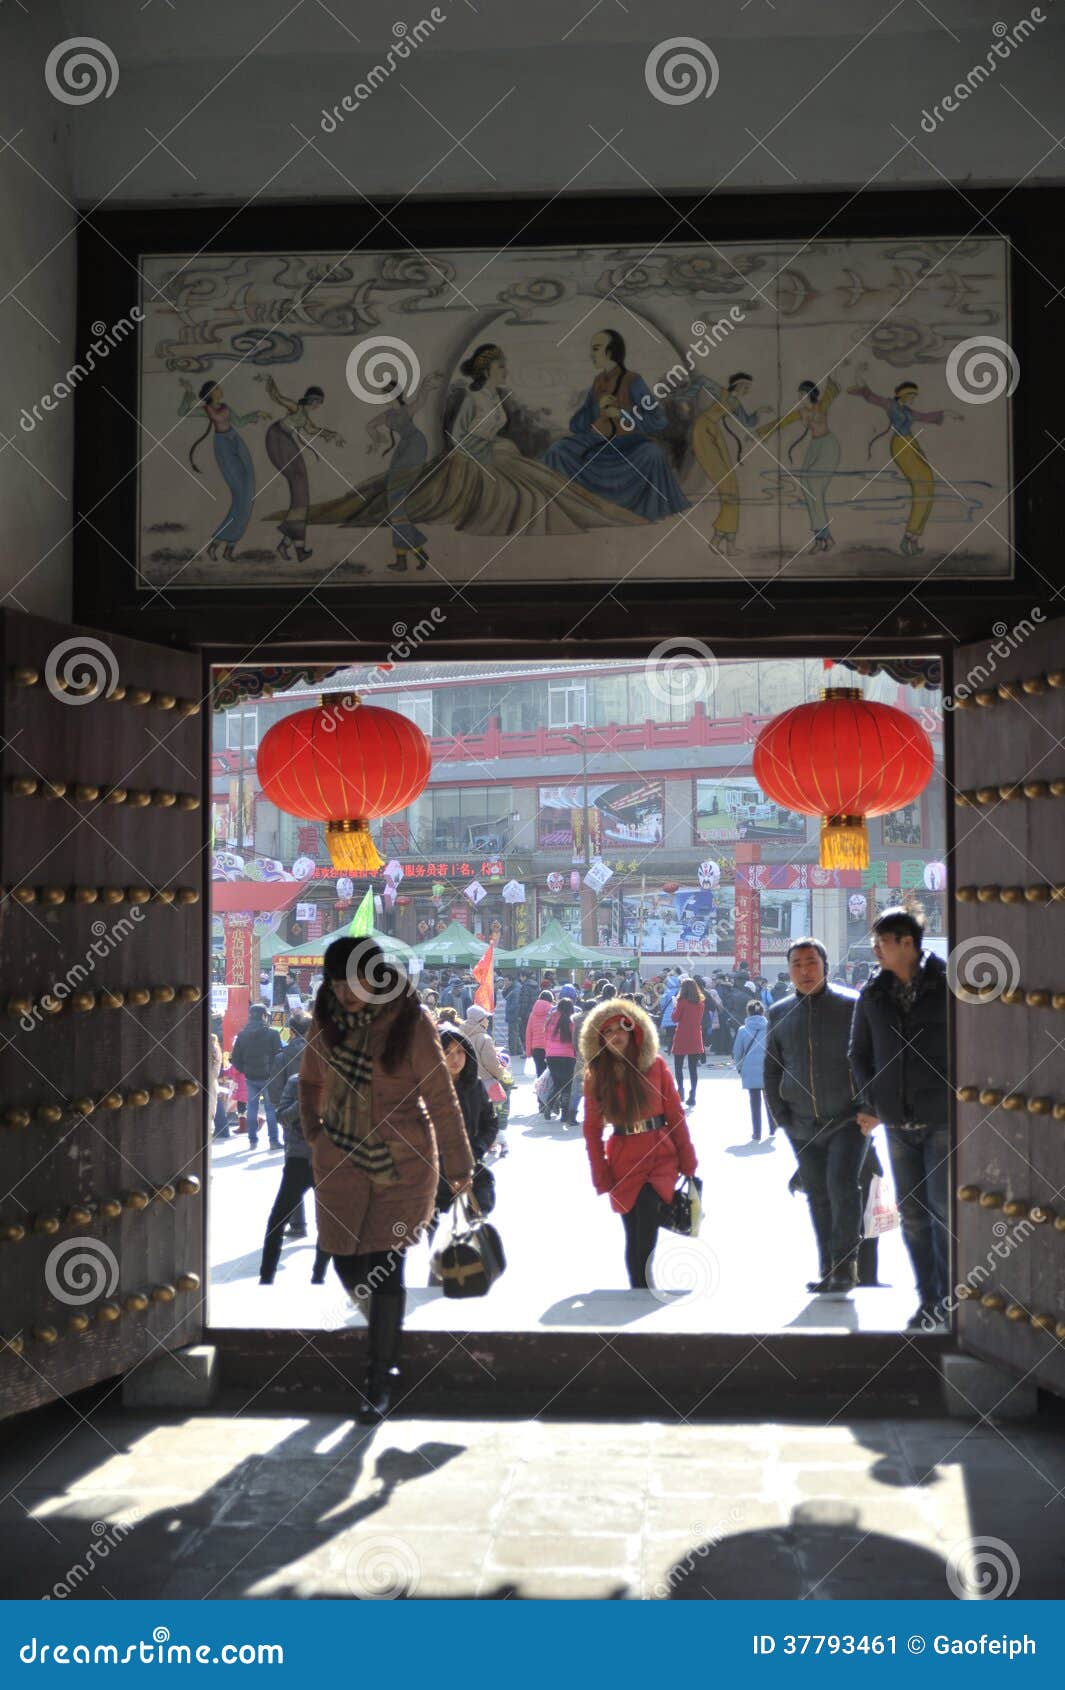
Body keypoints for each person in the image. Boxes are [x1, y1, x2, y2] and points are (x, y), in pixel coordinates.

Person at [299, 938, 474, 1422]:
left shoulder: (410, 1022)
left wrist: (460, 1169)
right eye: (336, 984)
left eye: (352, 982)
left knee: (385, 1265)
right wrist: (314, 1131)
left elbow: (441, 1098)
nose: (345, 993)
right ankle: (387, 1339)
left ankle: (380, 1377)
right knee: (345, 1264)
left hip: (404, 1164)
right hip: (339, 1163)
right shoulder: (326, 1021)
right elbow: (309, 1080)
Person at [849, 908, 949, 1331]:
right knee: (912, 1214)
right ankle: (928, 1299)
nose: (875, 949)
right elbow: (859, 1053)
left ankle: (950, 1300)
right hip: (897, 1124)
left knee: (944, 1213)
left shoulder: (948, 985)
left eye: (882, 941)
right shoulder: (873, 993)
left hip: (942, 1119)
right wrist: (874, 1102)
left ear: (907, 942)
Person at [763, 938, 867, 1295]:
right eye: (797, 964)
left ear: (825, 964)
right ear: (789, 969)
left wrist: (870, 1109)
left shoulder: (852, 1006)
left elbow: (875, 1060)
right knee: (818, 1195)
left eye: (811, 962)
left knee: (842, 1187)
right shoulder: (778, 1012)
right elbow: (772, 1070)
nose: (805, 971)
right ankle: (828, 1268)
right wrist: (781, 1118)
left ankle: (845, 1265)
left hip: (847, 1120)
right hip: (801, 1125)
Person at [580, 1000, 698, 1289]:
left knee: (645, 1228)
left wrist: (688, 1158)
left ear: (635, 1031)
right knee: (632, 1233)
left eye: (620, 1027)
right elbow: (592, 1129)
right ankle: (639, 1292)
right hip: (623, 1159)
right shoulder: (596, 1074)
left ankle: (644, 1291)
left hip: (660, 1157)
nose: (614, 1036)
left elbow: (675, 1115)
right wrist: (600, 1172)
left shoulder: (656, 1065)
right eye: (606, 1032)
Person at [259, 1059, 331, 1287]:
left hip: (328, 1162)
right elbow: (281, 1116)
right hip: (298, 1160)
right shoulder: (295, 1083)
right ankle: (266, 1277)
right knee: (277, 1219)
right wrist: (303, 1102)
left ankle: (318, 1276)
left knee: (328, 1224)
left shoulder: (340, 1087)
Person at [266, 1012, 313, 1236]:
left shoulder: (282, 1057)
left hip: (293, 1126)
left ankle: (298, 1224)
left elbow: (274, 1093)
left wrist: (286, 1113)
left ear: (292, 1031)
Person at [230, 1003, 283, 1151]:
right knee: (270, 1109)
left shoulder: (242, 1034)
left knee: (252, 1108)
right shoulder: (272, 1033)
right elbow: (279, 1056)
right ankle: (273, 1140)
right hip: (269, 1077)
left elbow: (235, 1058)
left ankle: (252, 1140)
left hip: (250, 1077)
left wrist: (245, 1069)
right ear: (264, 1015)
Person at [733, 999, 774, 1142]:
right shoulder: (770, 1028)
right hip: (768, 1069)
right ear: (763, 1012)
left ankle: (757, 1133)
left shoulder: (742, 1030)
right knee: (769, 1099)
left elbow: (737, 1052)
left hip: (750, 1070)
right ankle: (772, 1127)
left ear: (748, 1012)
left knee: (754, 1101)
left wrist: (739, 1068)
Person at [542, 994, 579, 1125]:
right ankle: (564, 1114)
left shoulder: (551, 1019)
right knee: (567, 1085)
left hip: (551, 1055)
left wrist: (547, 1053)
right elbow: (575, 1040)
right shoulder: (571, 1021)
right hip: (568, 1056)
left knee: (557, 1082)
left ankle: (549, 1103)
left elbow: (545, 1037)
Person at [670, 977, 705, 1108]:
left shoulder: (682, 1002)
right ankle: (693, 1094)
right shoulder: (701, 1003)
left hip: (682, 1036)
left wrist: (675, 1007)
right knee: (693, 1069)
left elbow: (675, 1018)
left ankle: (681, 1090)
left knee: (678, 1066)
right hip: (695, 1036)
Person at [524, 988, 554, 1078]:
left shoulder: (533, 1013)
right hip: (549, 1047)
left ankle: (540, 1091)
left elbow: (528, 1032)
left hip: (536, 1048)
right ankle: (549, 1091)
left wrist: (528, 1051)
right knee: (550, 1074)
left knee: (539, 1073)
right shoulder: (553, 1011)